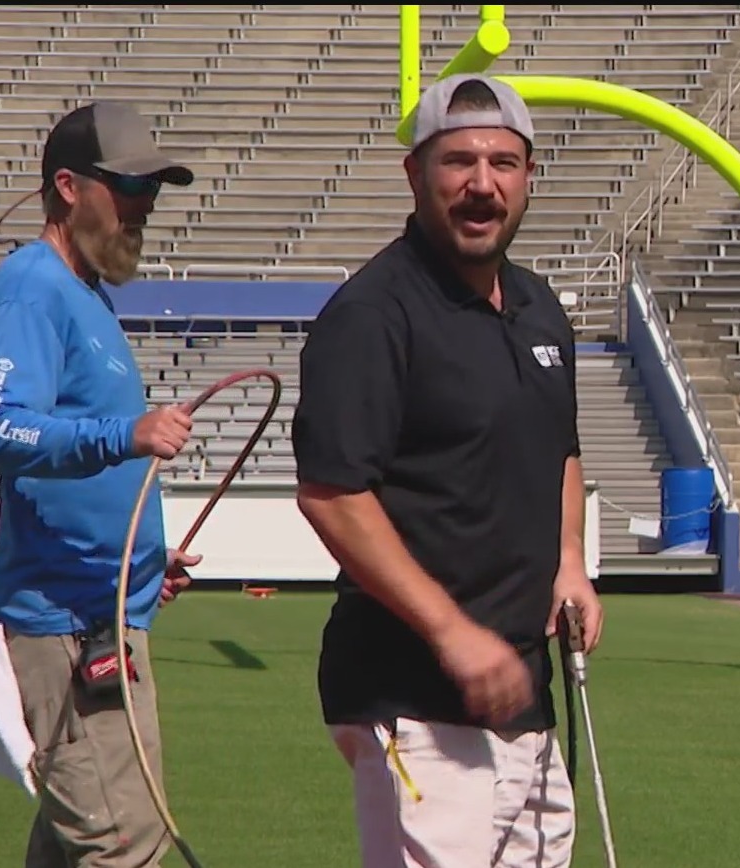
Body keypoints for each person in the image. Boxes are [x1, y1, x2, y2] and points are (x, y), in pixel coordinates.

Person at [292, 73, 601, 868]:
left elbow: (560, 452)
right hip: (414, 698)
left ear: (529, 177)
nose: (481, 184)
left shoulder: (540, 308)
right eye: (458, 161)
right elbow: (332, 494)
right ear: (416, 175)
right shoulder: (373, 315)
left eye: (503, 163)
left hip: (526, 698)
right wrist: (452, 633)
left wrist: (571, 562)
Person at [0, 100, 204, 866]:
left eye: (153, 188)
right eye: (128, 185)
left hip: (101, 618)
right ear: (68, 186)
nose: (144, 205)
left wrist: (138, 564)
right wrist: (122, 434)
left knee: (82, 851)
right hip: (64, 635)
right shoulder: (29, 288)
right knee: (120, 846)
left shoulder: (87, 295)